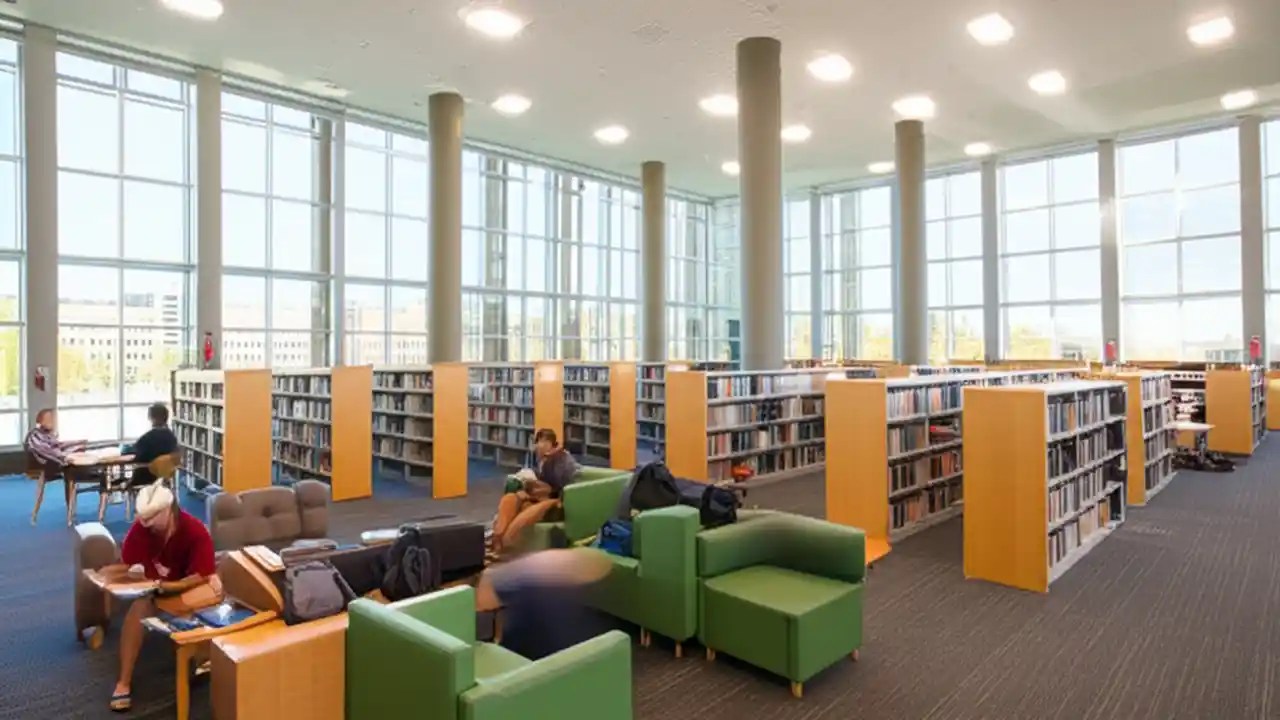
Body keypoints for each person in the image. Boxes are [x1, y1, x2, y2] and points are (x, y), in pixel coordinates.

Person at [104, 481, 219, 712]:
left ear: (169, 510)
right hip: (153, 589)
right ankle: (123, 682)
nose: (144, 523)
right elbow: (127, 563)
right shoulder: (141, 529)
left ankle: (202, 656)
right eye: (142, 518)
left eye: (151, 517)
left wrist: (170, 586)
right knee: (138, 609)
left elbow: (200, 575)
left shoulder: (195, 530)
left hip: (186, 586)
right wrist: (126, 575)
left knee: (213, 593)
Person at [475, 548, 612, 659]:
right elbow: (602, 561)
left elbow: (481, 600)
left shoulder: (508, 580)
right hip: (577, 662)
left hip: (526, 667)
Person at [489, 428, 578, 557]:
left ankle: (506, 545)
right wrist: (525, 490)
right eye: (539, 441)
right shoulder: (540, 459)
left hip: (557, 501)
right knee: (510, 499)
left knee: (527, 512)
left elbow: (562, 487)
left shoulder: (563, 459)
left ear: (553, 444)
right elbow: (538, 481)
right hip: (539, 497)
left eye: (545, 441)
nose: (541, 445)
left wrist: (539, 493)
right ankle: (497, 538)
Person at [24, 408, 86, 524]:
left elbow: (58, 445)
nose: (52, 421)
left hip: (53, 462)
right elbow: (48, 451)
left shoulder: (46, 434)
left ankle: (71, 510)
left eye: (52, 419)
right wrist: (65, 457)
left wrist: (77, 443)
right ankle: (70, 512)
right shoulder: (35, 435)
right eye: (49, 419)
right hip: (47, 464)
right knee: (72, 470)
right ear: (40, 421)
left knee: (78, 453)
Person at [126, 403, 179, 487]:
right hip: (165, 478)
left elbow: (136, 456)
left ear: (153, 418)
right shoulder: (172, 437)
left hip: (145, 477)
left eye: (150, 416)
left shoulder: (147, 438)